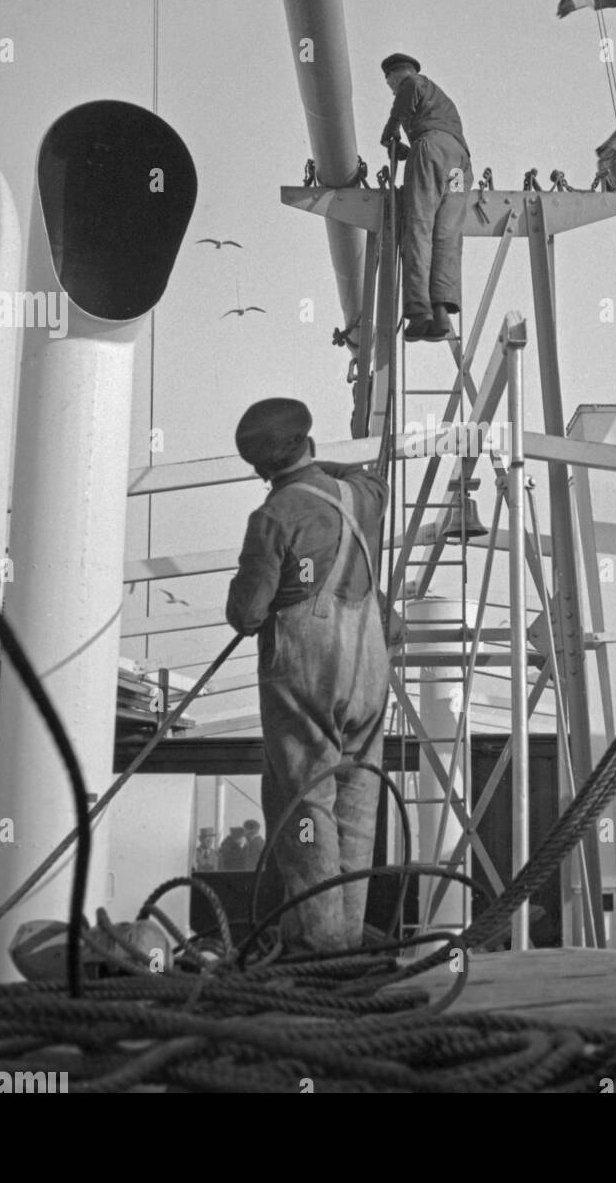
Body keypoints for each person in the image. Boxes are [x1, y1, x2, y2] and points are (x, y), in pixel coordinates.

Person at [225, 397, 391, 952]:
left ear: (258, 467)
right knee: (357, 803)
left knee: (306, 804)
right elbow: (367, 477)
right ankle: (347, 934)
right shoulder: (365, 497)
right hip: (368, 667)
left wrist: (284, 487)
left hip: (307, 669)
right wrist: (320, 469)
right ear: (309, 440)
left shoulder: (273, 516)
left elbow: (247, 615)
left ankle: (321, 947)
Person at [379, 53, 473, 343]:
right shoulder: (442, 101)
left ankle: (419, 312)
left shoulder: (414, 82)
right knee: (446, 235)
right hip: (459, 163)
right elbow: (438, 130)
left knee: (419, 228)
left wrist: (390, 131)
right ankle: (441, 310)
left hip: (430, 149)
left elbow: (409, 90)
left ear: (394, 75)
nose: (393, 89)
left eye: (390, 84)